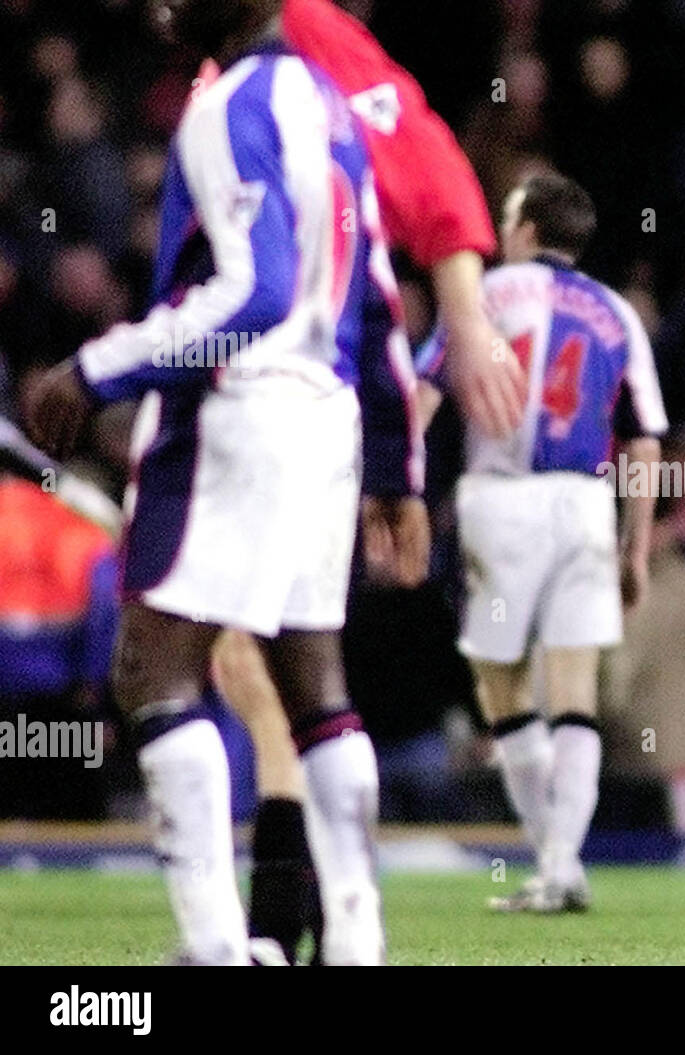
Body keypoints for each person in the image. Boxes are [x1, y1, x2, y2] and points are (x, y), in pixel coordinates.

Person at [25, 0, 428, 965]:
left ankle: (214, 947)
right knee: (313, 686)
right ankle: (356, 944)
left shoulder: (224, 106)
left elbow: (254, 291)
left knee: (152, 670)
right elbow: (371, 296)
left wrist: (98, 367)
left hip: (236, 415)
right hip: (325, 416)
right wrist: (392, 467)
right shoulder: (332, 109)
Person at [205, 0, 528, 966]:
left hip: (283, 388)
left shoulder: (301, 30)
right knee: (268, 657)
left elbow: (418, 154)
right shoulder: (229, 74)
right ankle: (314, 915)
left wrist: (465, 315)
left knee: (247, 657)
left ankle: (278, 917)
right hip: (289, 387)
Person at [415, 174, 668, 912]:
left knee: (503, 690)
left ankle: (551, 862)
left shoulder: (484, 295)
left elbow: (426, 392)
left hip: (500, 501)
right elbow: (646, 438)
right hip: (587, 504)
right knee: (576, 693)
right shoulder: (617, 312)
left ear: (525, 227)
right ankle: (562, 862)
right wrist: (636, 545)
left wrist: (393, 486)